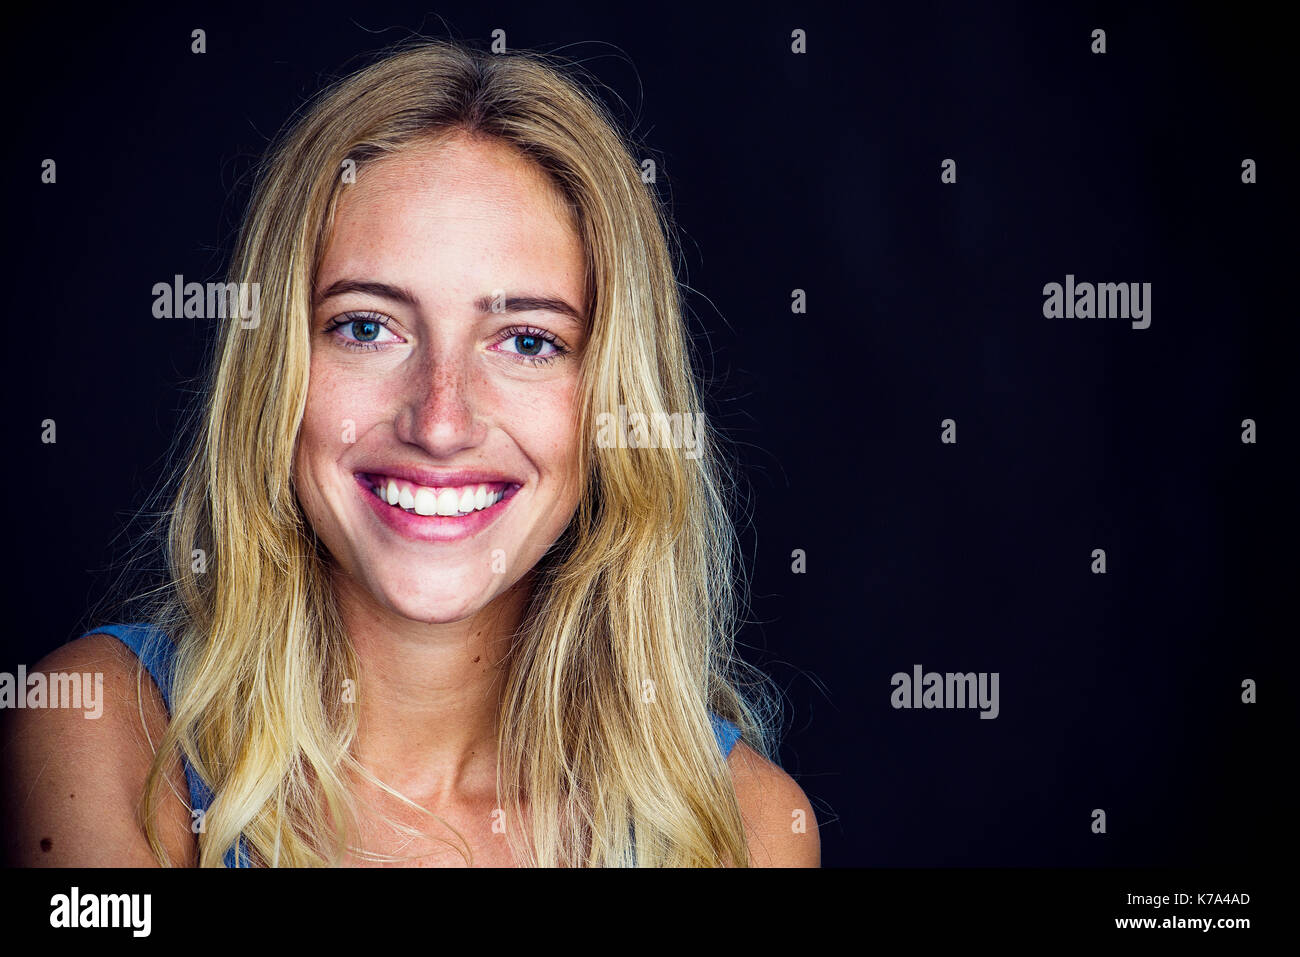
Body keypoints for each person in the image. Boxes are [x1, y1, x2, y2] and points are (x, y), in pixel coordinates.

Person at [2, 39, 818, 867]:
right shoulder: (104, 730)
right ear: (275, 371)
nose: (440, 421)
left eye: (528, 340)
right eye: (366, 327)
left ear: (611, 403)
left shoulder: (744, 828)